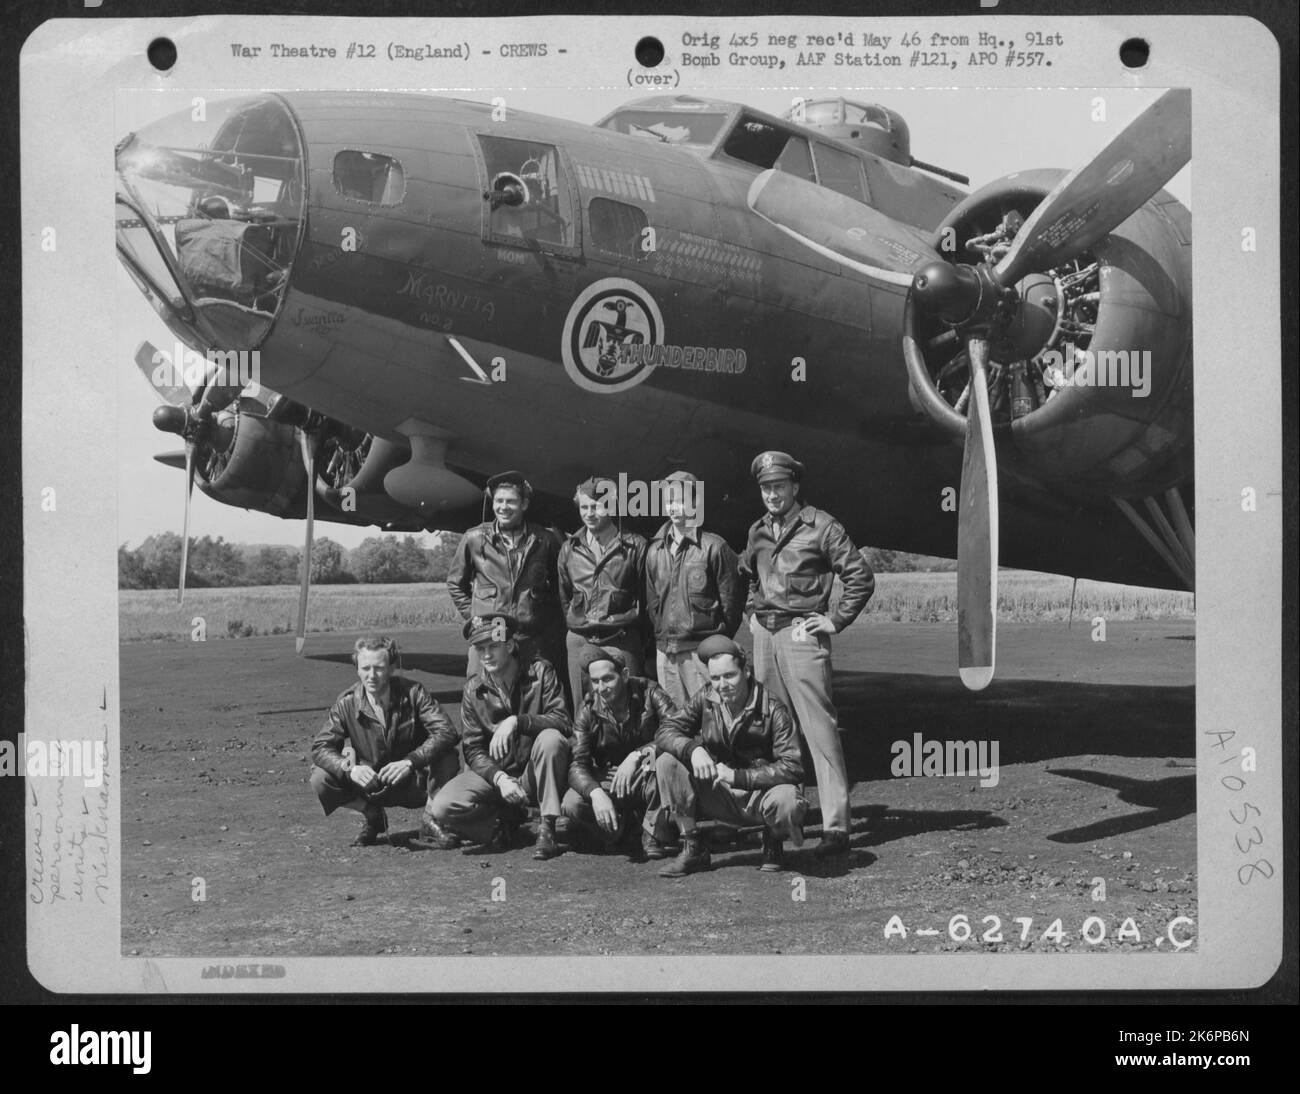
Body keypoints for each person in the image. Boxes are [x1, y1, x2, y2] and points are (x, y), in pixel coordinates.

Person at [741, 451, 875, 859]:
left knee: (819, 730)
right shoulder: (758, 531)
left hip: (802, 631)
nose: (772, 495)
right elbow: (747, 576)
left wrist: (835, 620)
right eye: (766, 488)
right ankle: (783, 820)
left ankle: (836, 827)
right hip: (766, 634)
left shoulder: (821, 526)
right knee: (773, 732)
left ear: (794, 487)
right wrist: (751, 613)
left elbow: (860, 576)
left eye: (779, 486)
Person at [654, 636, 807, 876]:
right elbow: (665, 731)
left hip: (760, 795)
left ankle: (773, 840)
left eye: (729, 676)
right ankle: (692, 846)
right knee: (667, 761)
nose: (722, 685)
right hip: (718, 793)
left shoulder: (774, 708)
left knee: (788, 801)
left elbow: (793, 766)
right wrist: (693, 750)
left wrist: (738, 777)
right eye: (715, 678)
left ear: (746, 671)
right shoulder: (705, 698)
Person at [428, 616, 572, 859]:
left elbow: (562, 720)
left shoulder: (540, 672)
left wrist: (517, 721)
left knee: (551, 738)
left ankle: (547, 827)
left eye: (493, 646)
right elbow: (472, 748)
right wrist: (500, 778)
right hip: (498, 775)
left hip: (533, 771)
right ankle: (505, 821)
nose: (486, 655)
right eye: (480, 648)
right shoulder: (473, 690)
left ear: (510, 646)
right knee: (443, 807)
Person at [309, 636, 461, 847]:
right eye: (366, 668)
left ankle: (430, 818)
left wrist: (410, 762)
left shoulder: (415, 693)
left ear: (391, 668)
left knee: (448, 756)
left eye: (379, 668)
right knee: (320, 777)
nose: (372, 676)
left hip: (414, 782)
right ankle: (372, 815)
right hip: (370, 785)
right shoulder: (346, 703)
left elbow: (447, 732)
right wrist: (351, 770)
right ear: (357, 669)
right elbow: (320, 748)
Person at [447, 470, 566, 687]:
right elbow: (456, 583)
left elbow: (561, 586)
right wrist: (475, 616)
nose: (503, 507)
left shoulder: (545, 540)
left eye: (510, 502)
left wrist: (542, 619)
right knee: (481, 695)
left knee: (535, 698)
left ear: (524, 504)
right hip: (488, 636)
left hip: (531, 638)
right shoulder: (474, 538)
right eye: (499, 501)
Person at [561, 646, 679, 859]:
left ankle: (654, 831)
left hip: (646, 770)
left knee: (667, 763)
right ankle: (620, 831)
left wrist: (637, 756)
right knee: (572, 803)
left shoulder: (651, 693)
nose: (600, 688)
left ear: (624, 675)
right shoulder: (587, 708)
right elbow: (577, 763)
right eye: (595, 681)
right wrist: (596, 794)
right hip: (610, 778)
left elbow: (676, 732)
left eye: (607, 679)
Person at [644, 470, 744, 706]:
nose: (674, 507)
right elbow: (653, 603)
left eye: (680, 501)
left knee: (713, 717)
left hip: (702, 652)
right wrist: (662, 638)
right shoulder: (654, 551)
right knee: (676, 720)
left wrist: (714, 646)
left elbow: (732, 603)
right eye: (669, 501)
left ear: (694, 502)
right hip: (666, 653)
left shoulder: (714, 547)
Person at [558, 476, 649, 704]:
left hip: (621, 638)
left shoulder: (635, 545)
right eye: (584, 507)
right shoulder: (569, 549)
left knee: (631, 705)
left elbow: (645, 598)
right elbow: (565, 595)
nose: (589, 513)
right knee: (584, 708)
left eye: (596, 506)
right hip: (581, 640)